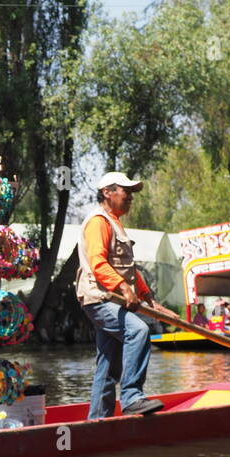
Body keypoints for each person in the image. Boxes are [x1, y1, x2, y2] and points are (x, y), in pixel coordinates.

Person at [75, 172, 172, 418]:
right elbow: (98, 262)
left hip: (112, 298)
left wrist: (148, 297)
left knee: (109, 363)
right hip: (100, 298)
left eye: (131, 193)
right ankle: (131, 397)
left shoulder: (115, 222)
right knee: (138, 331)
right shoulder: (98, 221)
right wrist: (124, 288)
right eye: (125, 191)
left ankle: (97, 421)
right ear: (107, 192)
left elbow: (128, 268)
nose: (130, 197)